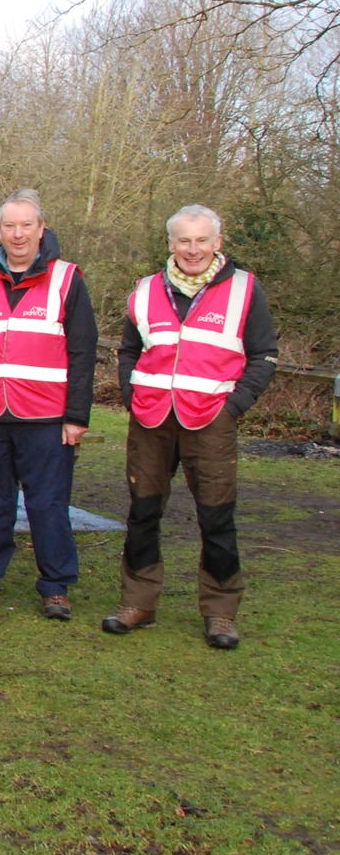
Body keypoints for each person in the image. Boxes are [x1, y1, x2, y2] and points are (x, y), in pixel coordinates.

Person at [107, 205, 278, 649]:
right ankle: (138, 602)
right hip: (151, 418)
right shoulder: (144, 290)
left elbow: (264, 356)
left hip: (212, 419)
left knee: (217, 517)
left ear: (217, 242)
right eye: (184, 240)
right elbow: (128, 351)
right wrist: (132, 394)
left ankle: (221, 612)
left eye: (202, 240)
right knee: (143, 512)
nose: (193, 249)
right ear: (171, 244)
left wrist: (234, 406)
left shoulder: (245, 289)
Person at [0, 189, 98, 620]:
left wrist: (77, 415)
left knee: (48, 505)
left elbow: (84, 352)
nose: (18, 234)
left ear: (41, 229)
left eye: (26, 225)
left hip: (48, 417)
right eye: (9, 226)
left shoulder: (68, 279)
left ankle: (55, 587)